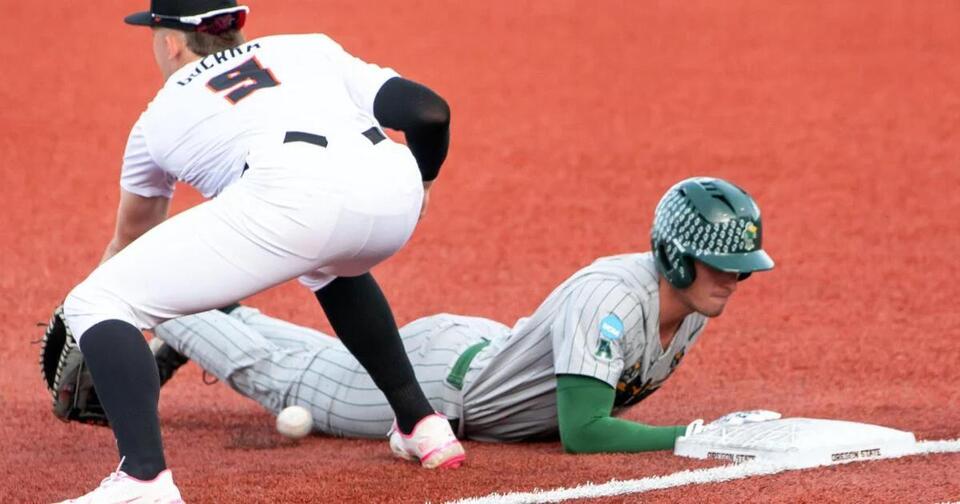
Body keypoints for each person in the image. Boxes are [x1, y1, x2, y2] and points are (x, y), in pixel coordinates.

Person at [56, 0, 462, 501]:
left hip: (289, 201)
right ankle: (422, 425)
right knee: (330, 264)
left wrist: (93, 329)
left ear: (171, 42)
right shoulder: (310, 48)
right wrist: (421, 183)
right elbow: (429, 112)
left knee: (96, 300)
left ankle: (143, 481)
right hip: (391, 195)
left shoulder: (158, 116)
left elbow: (132, 239)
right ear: (235, 26)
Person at [140, 176, 775, 450]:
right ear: (676, 257)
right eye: (723, 263)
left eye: (742, 265)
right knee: (291, 382)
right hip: (445, 387)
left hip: (479, 356)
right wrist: (696, 440)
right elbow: (585, 433)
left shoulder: (692, 304)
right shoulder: (611, 300)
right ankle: (142, 297)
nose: (736, 278)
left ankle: (216, 316)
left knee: (317, 361)